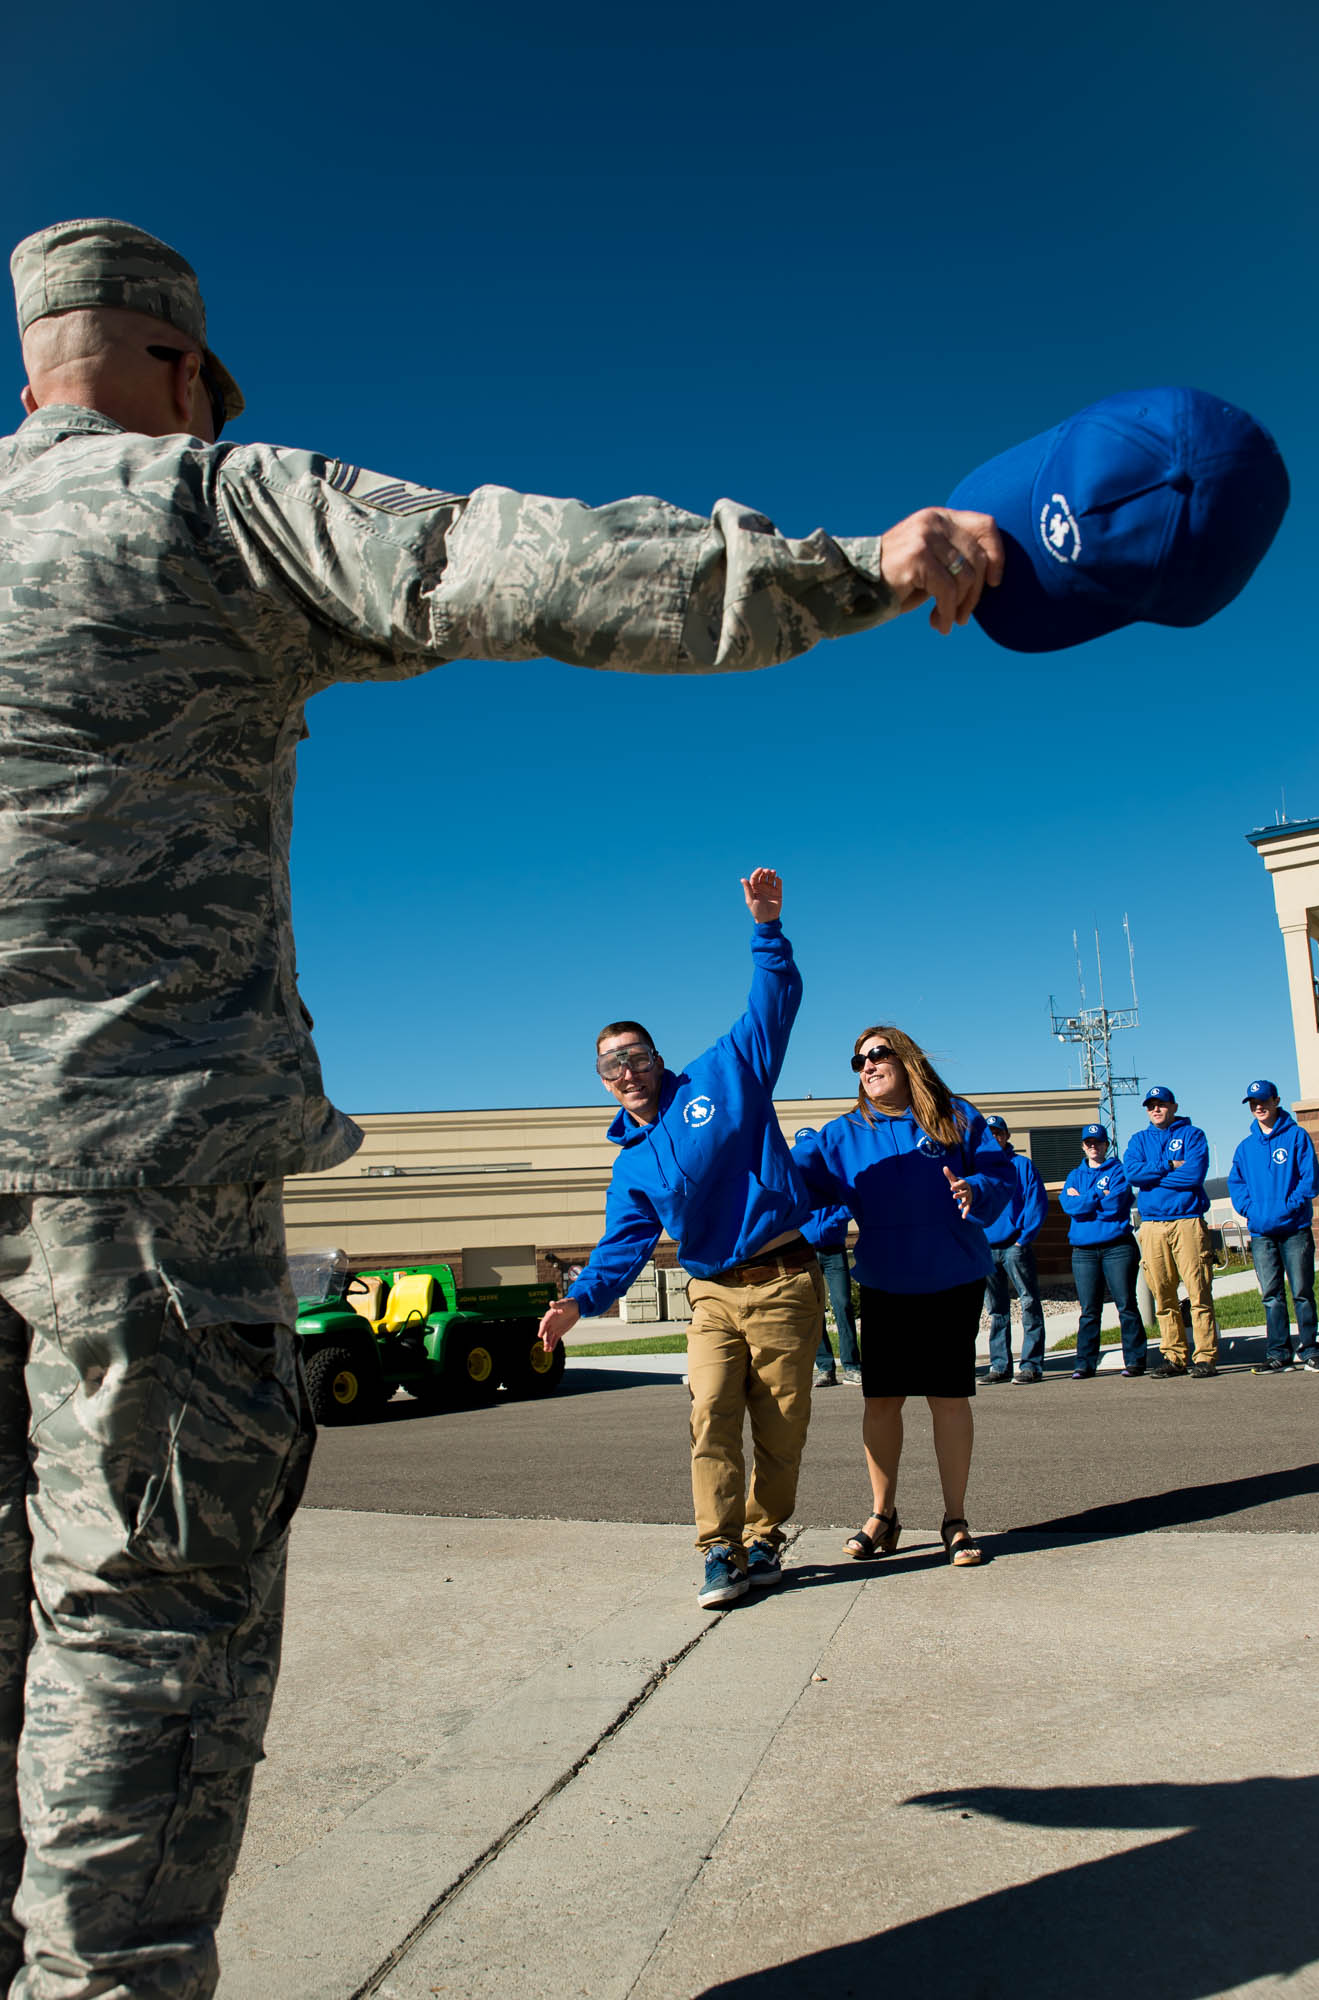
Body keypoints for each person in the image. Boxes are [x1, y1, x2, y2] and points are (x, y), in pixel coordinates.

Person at [0, 213, 1006, 1997]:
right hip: (126, 1184)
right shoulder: (203, 503)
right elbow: (510, 563)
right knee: (144, 1646)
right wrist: (861, 566)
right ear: (177, 373)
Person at [538, 872, 823, 1610]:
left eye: (635, 1056)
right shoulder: (630, 1166)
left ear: (658, 1059)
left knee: (782, 1431)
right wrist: (579, 1302)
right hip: (710, 1297)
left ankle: (765, 1536)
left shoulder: (725, 1074)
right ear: (602, 1083)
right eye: (611, 1066)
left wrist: (767, 928)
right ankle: (718, 1550)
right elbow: (622, 1245)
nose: (626, 1071)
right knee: (710, 1417)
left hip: (783, 1279)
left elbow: (773, 1005)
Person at [793, 1028, 1016, 1569]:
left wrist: (976, 1189)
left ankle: (955, 1520)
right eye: (858, 1060)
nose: (866, 1065)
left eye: (877, 1053)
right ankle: (883, 1515)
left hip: (952, 1279)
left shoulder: (954, 1116)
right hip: (886, 1282)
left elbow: (1000, 1173)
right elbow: (792, 1182)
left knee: (948, 1398)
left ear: (906, 1057)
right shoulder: (843, 1135)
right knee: (881, 1402)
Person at [1228, 1080, 1319, 1373]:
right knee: (1271, 1296)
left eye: (1263, 1101)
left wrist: (1288, 1206)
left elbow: (1311, 1181)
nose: (1259, 1107)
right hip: (1261, 1233)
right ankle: (1278, 1353)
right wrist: (1251, 1211)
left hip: (1295, 1229)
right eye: (1253, 1103)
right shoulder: (1245, 1148)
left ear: (1276, 1100)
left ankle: (1310, 1350)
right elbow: (1237, 1184)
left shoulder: (1297, 1136)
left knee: (1302, 1292)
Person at [1123, 1086, 1219, 1379]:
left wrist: (1154, 1179)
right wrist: (1167, 1166)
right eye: (1151, 1106)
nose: (1156, 1109)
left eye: (1161, 1104)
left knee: (1198, 1291)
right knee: (1162, 1294)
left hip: (1187, 1220)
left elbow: (1193, 1175)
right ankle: (1174, 1356)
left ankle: (1205, 1356)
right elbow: (1132, 1174)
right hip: (1152, 1224)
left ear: (1173, 1106)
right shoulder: (1138, 1140)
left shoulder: (1192, 1135)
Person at [1058, 1122, 1150, 1377]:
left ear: (1106, 1145)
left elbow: (1115, 1204)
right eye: (1089, 1143)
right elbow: (1070, 1206)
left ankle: (1134, 1360)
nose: (1093, 1146)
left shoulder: (1119, 1171)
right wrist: (1097, 1195)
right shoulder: (1074, 1175)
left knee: (1126, 1304)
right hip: (1084, 1252)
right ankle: (1084, 1363)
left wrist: (1084, 1199)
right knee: (1089, 1310)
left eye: (1098, 1142)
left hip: (1117, 1247)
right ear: (1083, 1147)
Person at [978, 1114, 1049, 1384]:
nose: (995, 1137)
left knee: (1029, 1302)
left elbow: (1036, 1203)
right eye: (990, 1133)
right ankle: (1000, 1366)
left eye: (999, 1133)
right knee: (996, 1310)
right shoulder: (978, 1169)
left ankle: (1031, 1364)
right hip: (986, 1248)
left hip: (1015, 1247)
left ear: (1007, 1136)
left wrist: (1023, 1239)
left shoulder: (1022, 1166)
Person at [794, 1170, 860, 1387]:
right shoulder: (797, 1180)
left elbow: (850, 1204)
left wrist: (829, 1224)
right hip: (806, 1252)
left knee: (842, 1305)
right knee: (814, 1310)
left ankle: (851, 1366)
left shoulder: (834, 1179)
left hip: (834, 1250)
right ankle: (825, 1369)